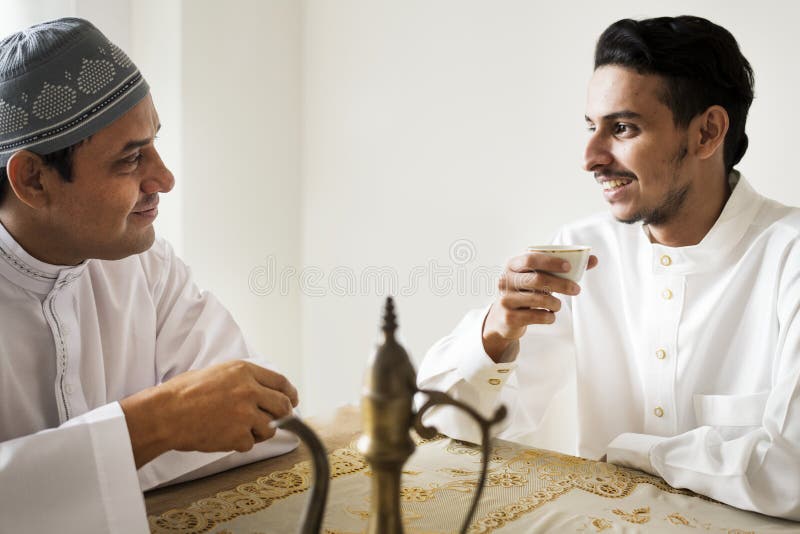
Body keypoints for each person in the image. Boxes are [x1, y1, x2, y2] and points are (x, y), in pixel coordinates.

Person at [418, 15, 800, 520]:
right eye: (591, 127)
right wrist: (496, 333)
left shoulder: (790, 256)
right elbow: (442, 420)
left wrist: (635, 452)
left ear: (707, 132)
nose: (590, 157)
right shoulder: (583, 251)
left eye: (622, 128)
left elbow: (793, 476)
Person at [0, 18, 301, 533]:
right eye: (131, 159)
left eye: (154, 144)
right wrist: (154, 425)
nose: (164, 178)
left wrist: (65, 473)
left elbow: (266, 417)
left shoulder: (143, 263)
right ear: (33, 179)